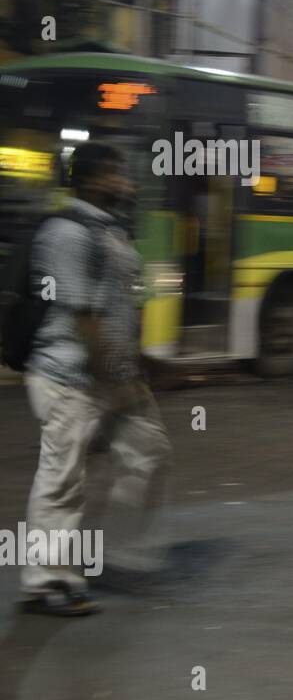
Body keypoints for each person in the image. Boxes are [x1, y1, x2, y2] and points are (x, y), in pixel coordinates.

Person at [21, 142, 172, 616]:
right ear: (90, 179)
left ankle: (100, 553)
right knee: (63, 479)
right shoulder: (68, 232)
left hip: (110, 373)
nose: (126, 182)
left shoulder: (112, 231)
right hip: (70, 374)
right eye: (116, 173)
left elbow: (118, 307)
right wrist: (116, 376)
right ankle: (45, 583)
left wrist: (144, 361)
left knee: (150, 452)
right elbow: (82, 314)